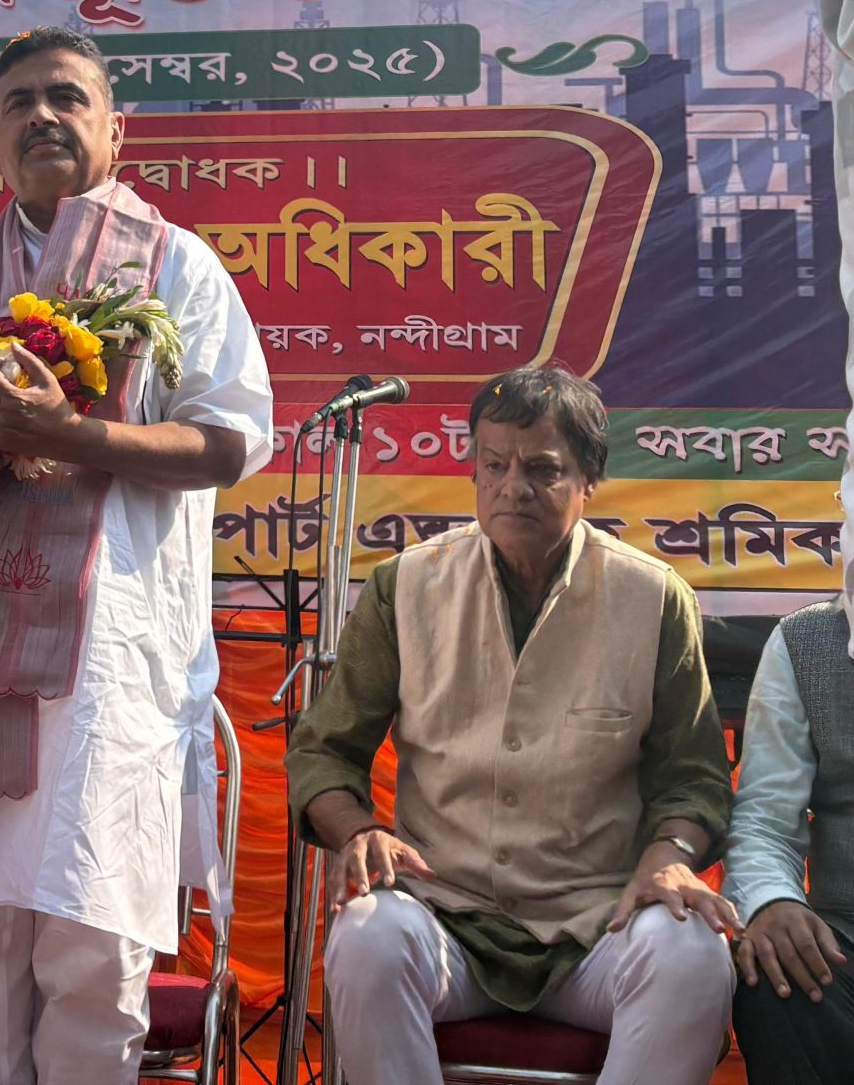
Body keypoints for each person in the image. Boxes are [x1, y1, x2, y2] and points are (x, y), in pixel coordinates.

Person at [0, 26, 274, 1084]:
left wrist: (72, 438)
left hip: (98, 697)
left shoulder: (177, 267)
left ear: (117, 131)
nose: (42, 117)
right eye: (18, 103)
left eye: (67, 98)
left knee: (90, 982)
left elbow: (229, 443)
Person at [285, 365, 737, 1085]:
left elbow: (695, 778)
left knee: (695, 955)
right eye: (494, 465)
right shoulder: (406, 586)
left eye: (542, 470)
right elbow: (323, 752)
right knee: (367, 937)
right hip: (445, 916)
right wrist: (357, 831)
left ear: (590, 480)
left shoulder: (653, 598)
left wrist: (669, 854)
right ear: (473, 471)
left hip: (600, 924)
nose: (512, 488)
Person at [725, 598, 854, 1083]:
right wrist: (772, 900)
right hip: (847, 934)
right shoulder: (806, 642)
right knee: (775, 971)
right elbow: (765, 819)